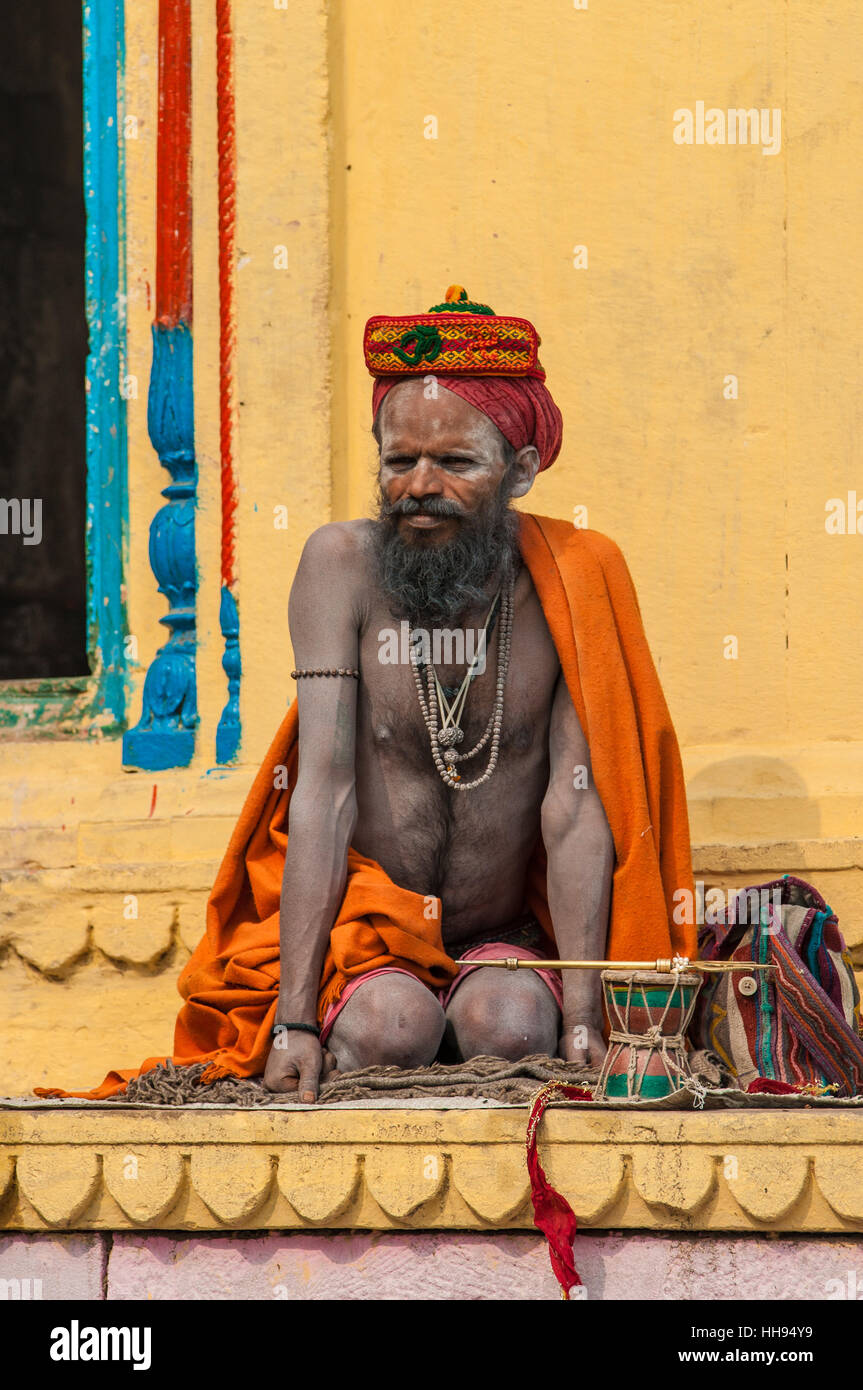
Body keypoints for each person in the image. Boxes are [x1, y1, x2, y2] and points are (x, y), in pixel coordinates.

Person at [37, 287, 695, 1105]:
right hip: (370, 931)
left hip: (506, 933)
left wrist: (586, 1023)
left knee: (514, 1027)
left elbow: (575, 807)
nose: (419, 486)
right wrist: (294, 1022)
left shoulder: (574, 578)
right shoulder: (340, 566)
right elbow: (323, 791)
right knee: (389, 1028)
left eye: (456, 463)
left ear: (522, 470)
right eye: (398, 461)